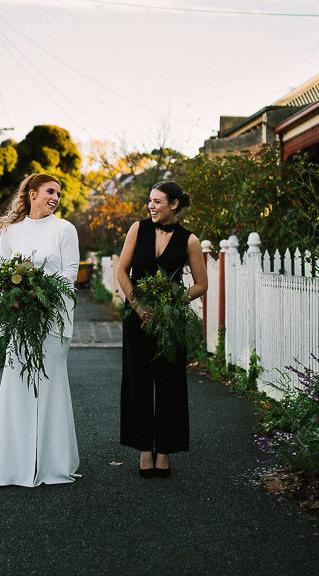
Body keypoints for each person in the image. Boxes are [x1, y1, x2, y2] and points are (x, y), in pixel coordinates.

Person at [0, 173, 81, 487]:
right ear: (31, 193)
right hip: (21, 320)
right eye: (50, 191)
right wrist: (5, 309)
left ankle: (51, 463)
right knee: (17, 387)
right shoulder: (10, 230)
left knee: (50, 386)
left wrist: (44, 296)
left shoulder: (64, 229)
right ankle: (15, 462)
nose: (55, 198)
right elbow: (5, 273)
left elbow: (69, 273)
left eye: (58, 193)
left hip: (54, 320)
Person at [115, 180, 207, 478]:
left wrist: (174, 302)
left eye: (157, 201)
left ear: (174, 204)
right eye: (149, 201)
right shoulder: (136, 229)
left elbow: (200, 284)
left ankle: (165, 450)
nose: (151, 206)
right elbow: (122, 271)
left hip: (170, 322)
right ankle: (144, 449)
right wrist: (139, 307)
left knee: (170, 384)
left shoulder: (189, 240)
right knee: (138, 382)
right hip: (136, 318)